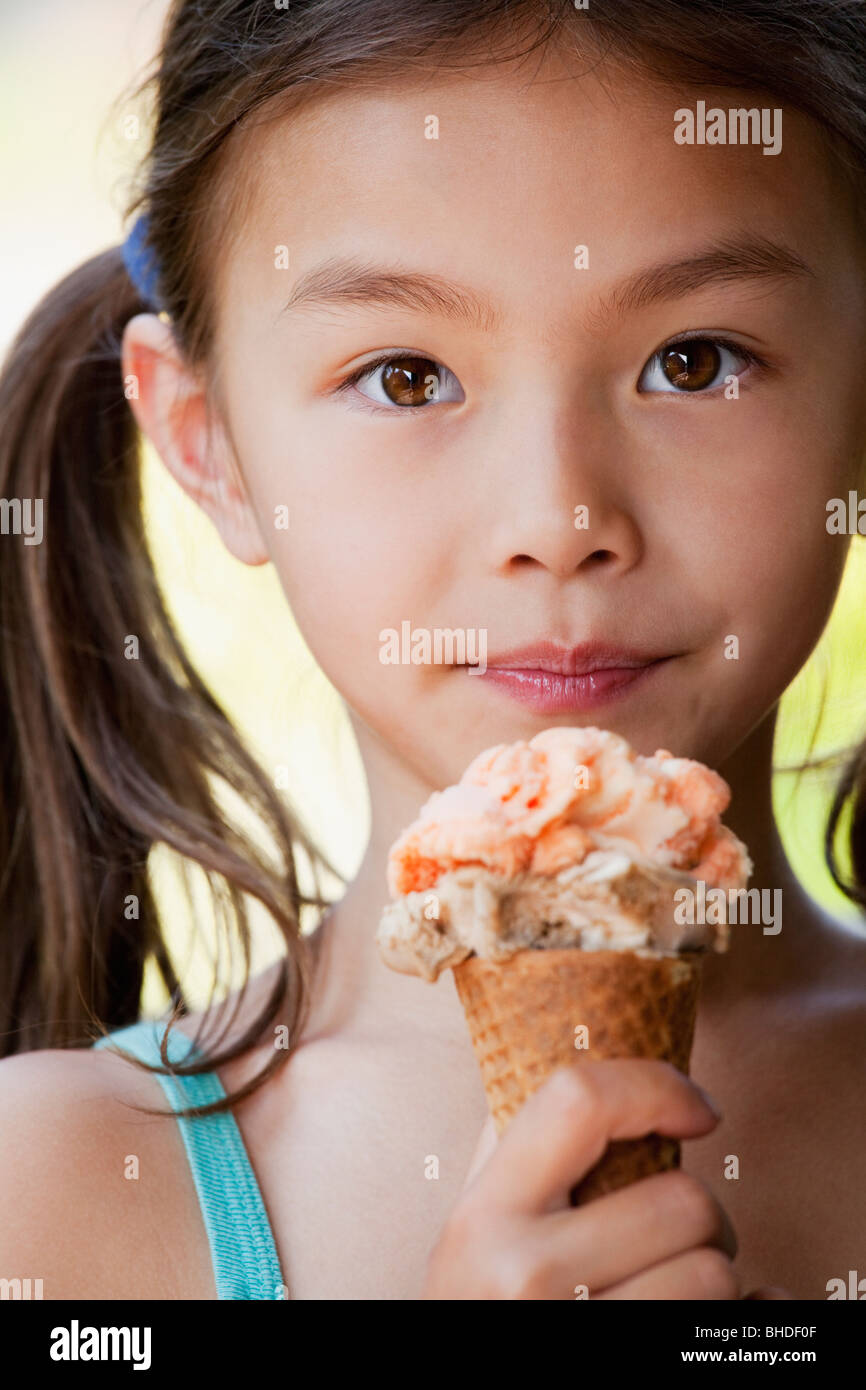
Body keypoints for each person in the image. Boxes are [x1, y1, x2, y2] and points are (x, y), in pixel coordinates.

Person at [1, 0, 864, 1301]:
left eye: (694, 361)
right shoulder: (53, 1200)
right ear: (206, 443)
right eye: (405, 376)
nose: (556, 522)